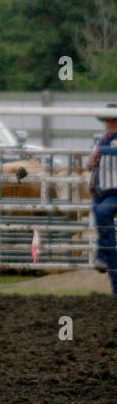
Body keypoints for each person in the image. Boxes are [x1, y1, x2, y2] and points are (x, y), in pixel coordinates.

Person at [88, 104, 117, 294]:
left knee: (102, 212)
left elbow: (109, 153)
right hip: (101, 190)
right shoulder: (101, 140)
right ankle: (107, 257)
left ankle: (102, 253)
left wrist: (100, 152)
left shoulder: (104, 143)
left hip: (115, 190)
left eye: (113, 119)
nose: (110, 123)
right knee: (100, 213)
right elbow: (90, 164)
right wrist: (94, 157)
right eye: (108, 119)